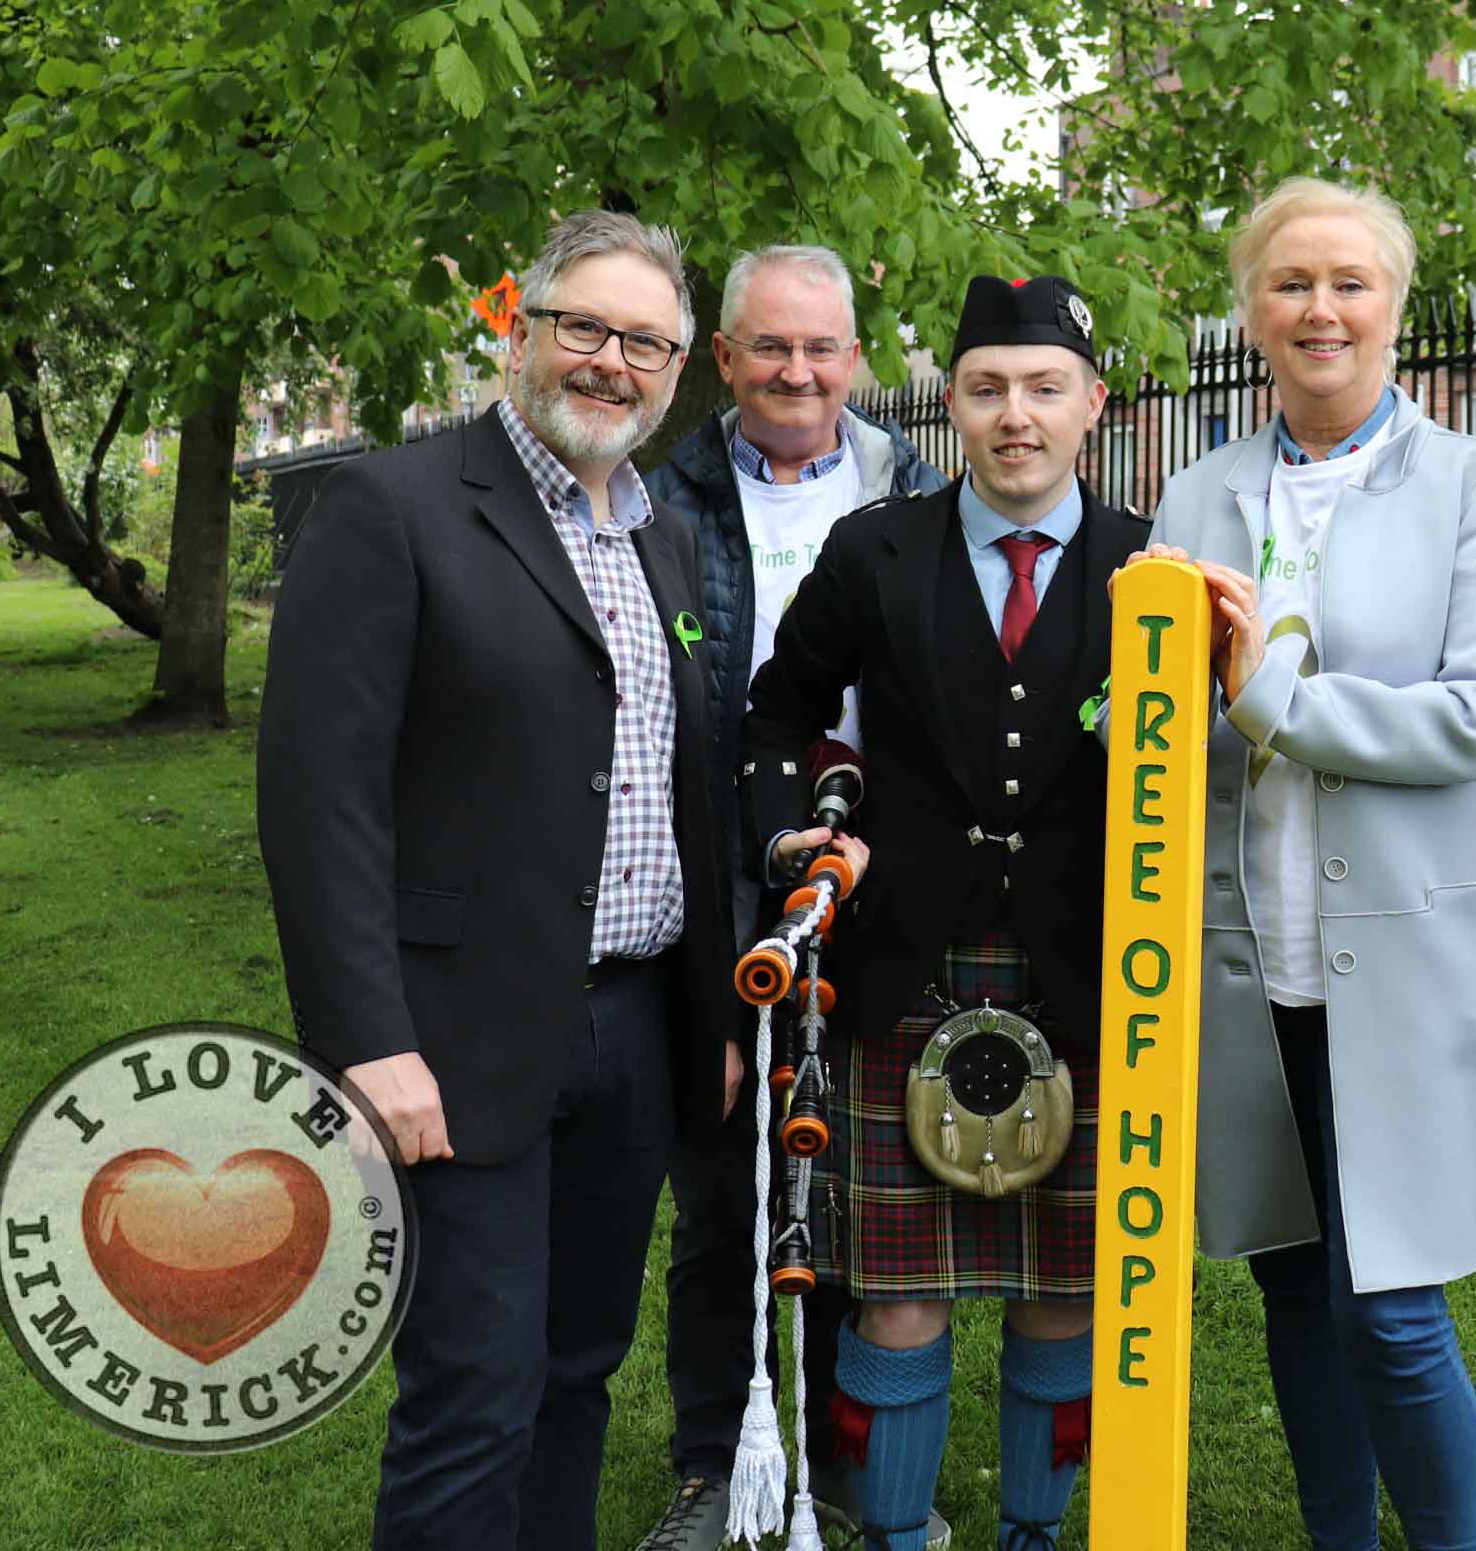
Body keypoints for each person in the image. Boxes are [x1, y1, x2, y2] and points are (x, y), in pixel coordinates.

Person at [261, 211, 860, 1551]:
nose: (612, 362)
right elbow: (319, 804)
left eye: (643, 341)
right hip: (455, 1035)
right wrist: (369, 1044)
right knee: (473, 1390)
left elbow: (689, 784)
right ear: (519, 331)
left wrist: (709, 1018)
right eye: (583, 327)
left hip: (639, 1032)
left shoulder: (657, 535)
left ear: (671, 367)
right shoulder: (391, 508)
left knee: (577, 1372)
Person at [1133, 176, 1476, 1551]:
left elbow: (1475, 717)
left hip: (1412, 965)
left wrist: (1266, 698)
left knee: (1397, 1307)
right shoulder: (1193, 496)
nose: (1322, 310)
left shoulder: (1475, 483)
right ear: (1251, 309)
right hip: (1249, 967)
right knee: (1292, 1292)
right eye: (1292, 283)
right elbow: (1145, 720)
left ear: (1395, 307)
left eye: (1350, 283)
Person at [740, 273, 1142, 1551]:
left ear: (1092, 402)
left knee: (1062, 1296)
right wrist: (793, 822)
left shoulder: (1152, 565)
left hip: (1088, 973)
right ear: (951, 404)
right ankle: (894, 1537)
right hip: (905, 956)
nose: (1014, 415)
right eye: (986, 389)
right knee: (899, 1297)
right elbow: (774, 710)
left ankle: (1034, 1534)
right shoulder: (877, 549)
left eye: (1042, 388)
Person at [640, 244, 946, 1551]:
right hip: (718, 881)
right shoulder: (661, 498)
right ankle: (717, 1466)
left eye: (823, 349)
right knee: (722, 1196)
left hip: (883, 887)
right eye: (770, 348)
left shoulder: (918, 487)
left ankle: (842, 1460)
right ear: (724, 360)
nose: (798, 372)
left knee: (861, 1197)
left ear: (857, 358)